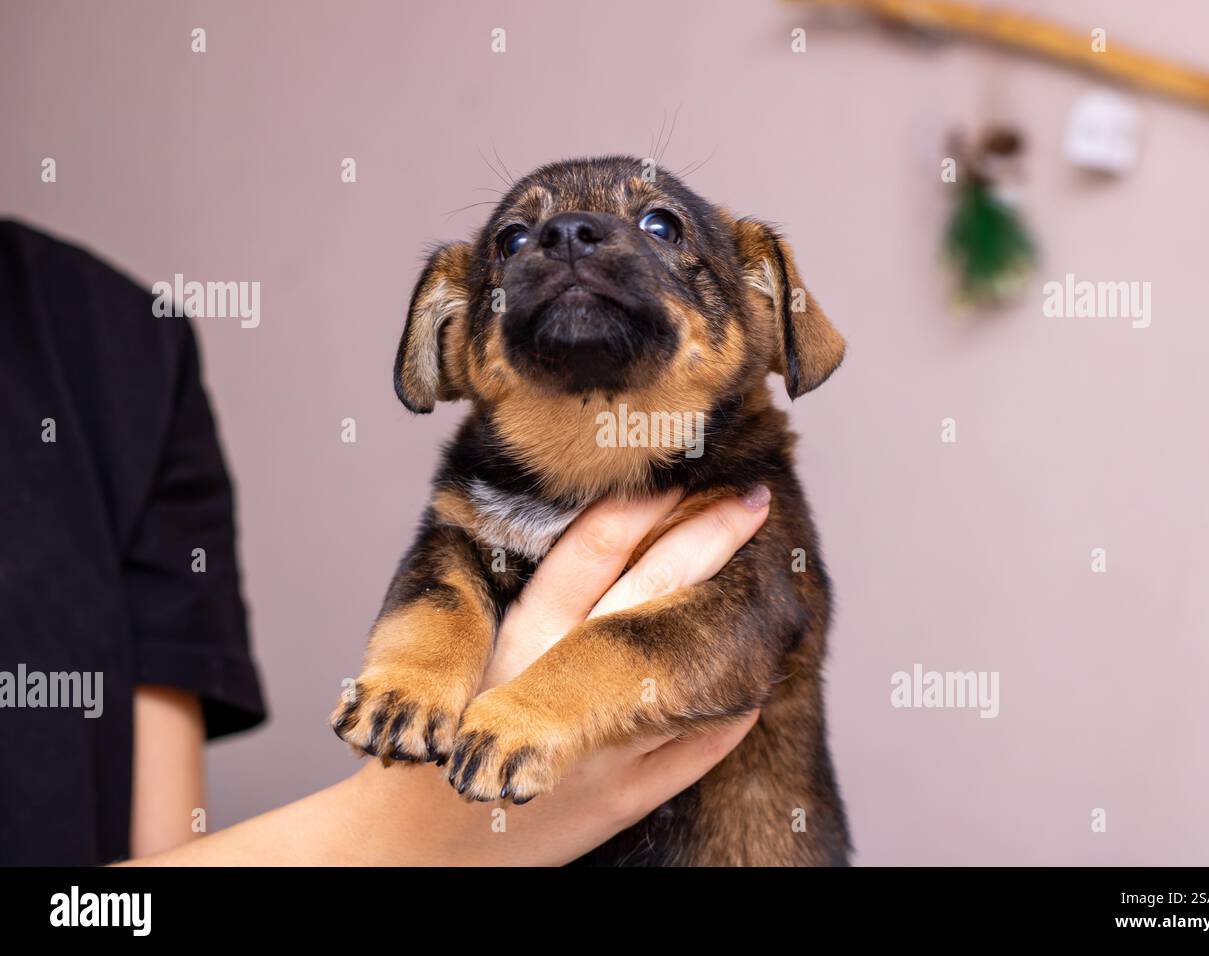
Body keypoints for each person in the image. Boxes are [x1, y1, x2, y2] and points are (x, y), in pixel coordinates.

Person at [0, 220, 763, 866]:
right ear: (454, 337)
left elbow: (129, 901)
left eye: (661, 226)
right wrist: (402, 834)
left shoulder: (118, 341)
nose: (569, 238)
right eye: (516, 238)